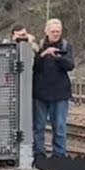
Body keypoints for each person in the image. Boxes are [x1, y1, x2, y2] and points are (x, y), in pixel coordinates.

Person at [32, 18, 75, 161]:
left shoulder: (66, 45)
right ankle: (39, 153)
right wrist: (44, 55)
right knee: (39, 126)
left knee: (60, 126)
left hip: (60, 92)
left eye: (58, 31)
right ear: (46, 31)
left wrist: (57, 57)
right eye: (53, 31)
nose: (56, 34)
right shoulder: (38, 46)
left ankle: (59, 154)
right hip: (40, 92)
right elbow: (32, 66)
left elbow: (70, 65)